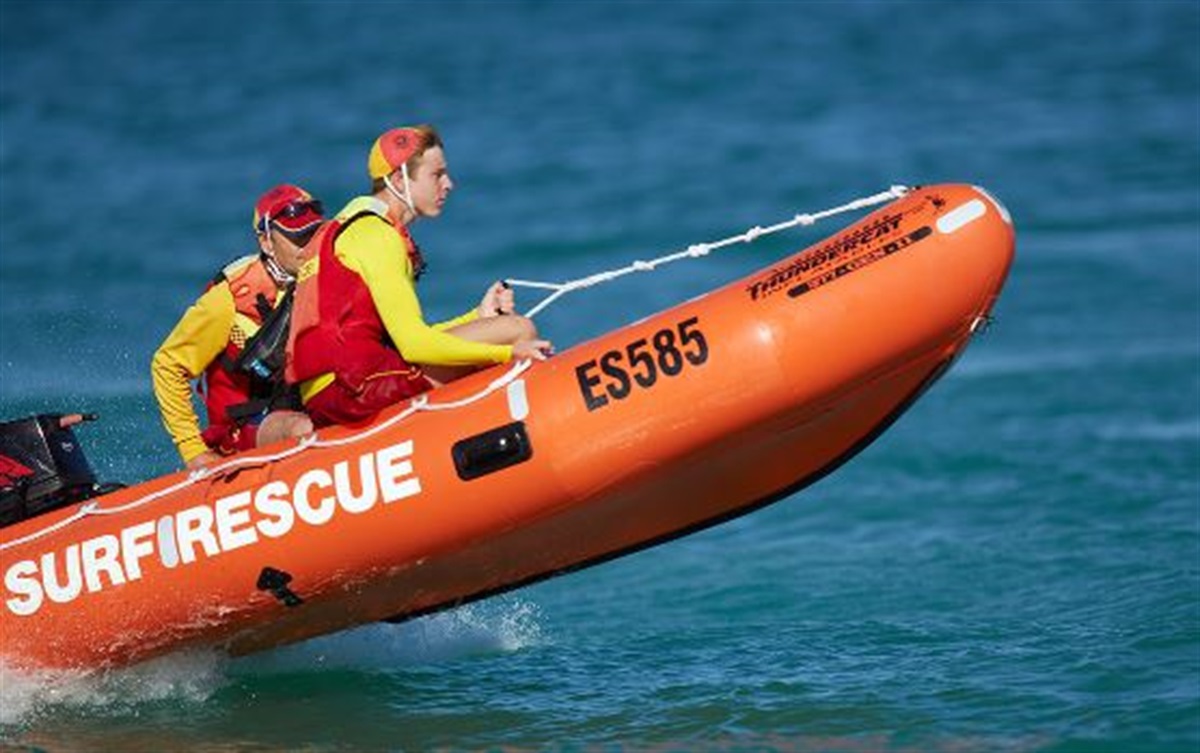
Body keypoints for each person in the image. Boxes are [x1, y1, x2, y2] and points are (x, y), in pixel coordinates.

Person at [286, 124, 551, 427]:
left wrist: (477, 315)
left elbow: (405, 338)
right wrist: (506, 352)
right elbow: (413, 345)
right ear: (400, 179)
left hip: (336, 389)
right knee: (517, 329)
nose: (449, 184)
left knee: (495, 326)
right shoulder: (377, 236)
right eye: (437, 174)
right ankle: (523, 437)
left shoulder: (355, 228)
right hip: (354, 389)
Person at [151, 184, 323, 469]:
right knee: (301, 428)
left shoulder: (323, 276)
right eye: (297, 237)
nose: (309, 246)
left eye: (314, 233)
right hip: (247, 425)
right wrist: (193, 451)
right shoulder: (229, 298)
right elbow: (167, 365)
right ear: (267, 242)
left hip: (303, 401)